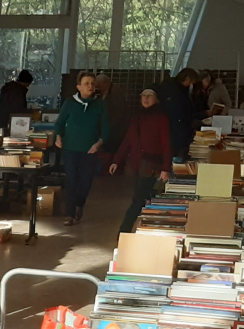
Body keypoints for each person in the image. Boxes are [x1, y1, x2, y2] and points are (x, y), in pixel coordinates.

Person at [108, 87, 172, 234]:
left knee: (138, 199)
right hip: (137, 165)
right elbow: (128, 140)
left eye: (150, 95)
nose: (146, 98)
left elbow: (166, 143)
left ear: (156, 99)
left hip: (151, 165)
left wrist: (166, 168)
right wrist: (116, 160)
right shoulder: (137, 117)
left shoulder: (161, 118)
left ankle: (124, 230)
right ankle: (146, 230)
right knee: (144, 197)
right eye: (143, 95)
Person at [53, 70, 110, 226]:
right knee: (71, 180)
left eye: (92, 84)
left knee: (85, 181)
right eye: (86, 84)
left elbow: (106, 129)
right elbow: (59, 124)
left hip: (90, 149)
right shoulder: (70, 103)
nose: (90, 86)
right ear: (79, 87)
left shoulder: (100, 104)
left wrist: (98, 143)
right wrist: (58, 136)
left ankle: (80, 204)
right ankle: (69, 214)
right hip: (70, 148)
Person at [155, 67, 202, 162]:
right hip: (176, 128)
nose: (191, 85)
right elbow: (182, 109)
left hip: (177, 127)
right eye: (191, 82)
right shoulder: (177, 91)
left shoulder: (172, 87)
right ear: (187, 79)